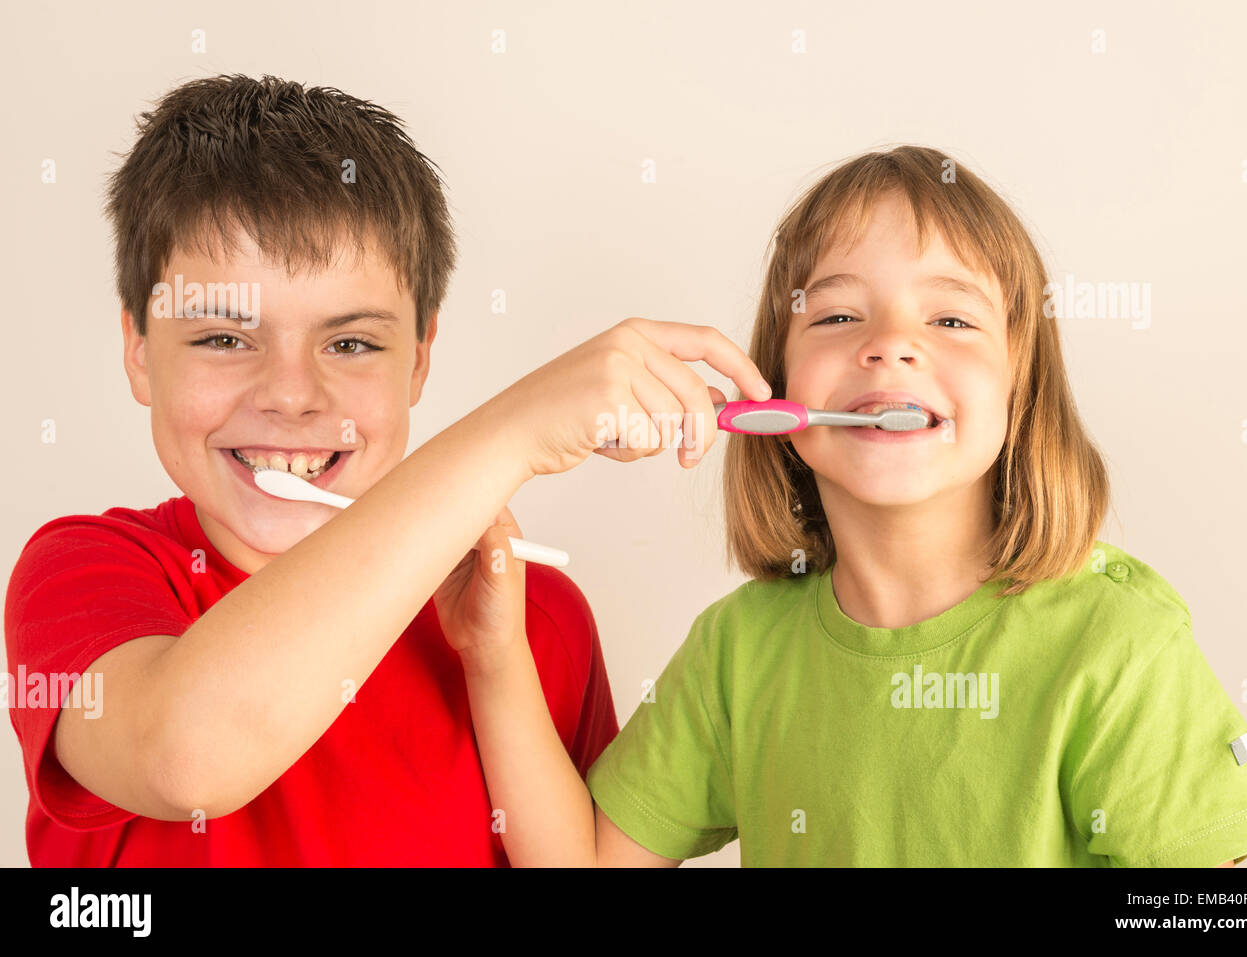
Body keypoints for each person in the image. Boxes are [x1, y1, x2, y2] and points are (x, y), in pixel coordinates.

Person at [447, 145, 1247, 866]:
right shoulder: (738, 652)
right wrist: (493, 652)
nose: (889, 343)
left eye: (953, 321)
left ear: (1021, 391)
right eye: (841, 314)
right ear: (774, 394)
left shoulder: (1116, 646)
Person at [3, 73, 770, 866]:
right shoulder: (82, 576)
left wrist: (497, 662)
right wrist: (512, 432)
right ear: (138, 348)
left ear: (419, 357)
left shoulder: (534, 621)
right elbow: (188, 756)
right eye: (224, 339)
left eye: (350, 343)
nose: (291, 396)